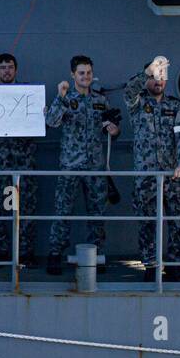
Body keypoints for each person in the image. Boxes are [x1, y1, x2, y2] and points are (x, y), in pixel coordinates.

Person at [45, 55, 121, 275]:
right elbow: (51, 122)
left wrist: (114, 131)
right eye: (81, 73)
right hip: (70, 166)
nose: (85, 76)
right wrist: (60, 97)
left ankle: (96, 257)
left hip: (96, 168)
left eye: (88, 72)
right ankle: (55, 255)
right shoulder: (65, 98)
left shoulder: (101, 100)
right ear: (72, 74)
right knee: (63, 213)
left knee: (97, 215)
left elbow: (112, 131)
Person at [124, 56, 180, 282]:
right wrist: (147, 71)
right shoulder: (136, 103)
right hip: (146, 176)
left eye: (162, 78)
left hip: (172, 176)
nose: (159, 82)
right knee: (147, 223)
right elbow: (130, 90)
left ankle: (175, 266)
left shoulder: (176, 107)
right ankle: (151, 265)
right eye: (155, 77)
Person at [0, 52, 39, 267]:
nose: (7, 71)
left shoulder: (28, 95)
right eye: (3, 67)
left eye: (10, 67)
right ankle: (0, 252)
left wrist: (39, 113)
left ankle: (24, 253)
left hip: (23, 162)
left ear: (16, 69)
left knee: (24, 208)